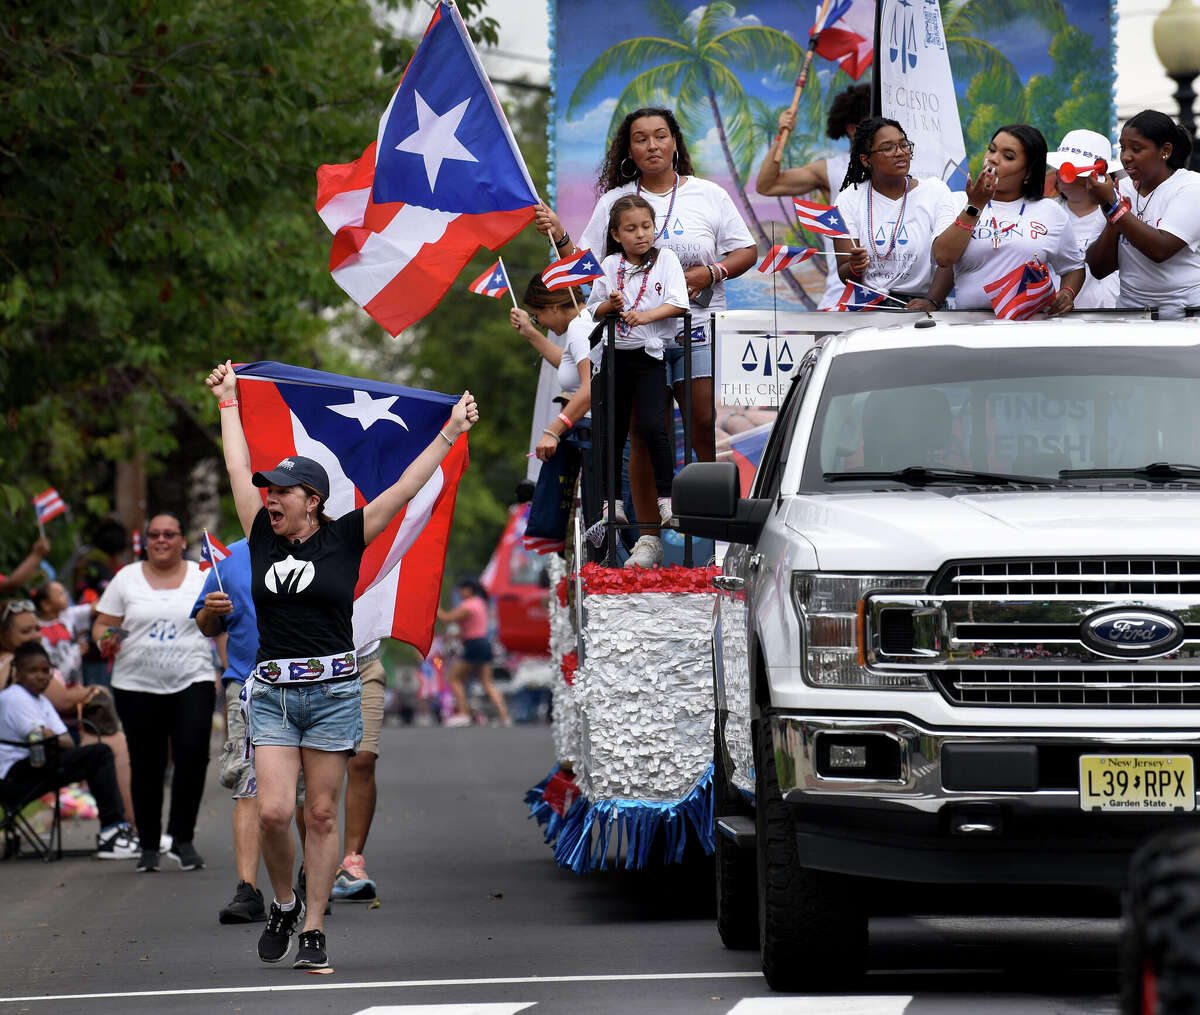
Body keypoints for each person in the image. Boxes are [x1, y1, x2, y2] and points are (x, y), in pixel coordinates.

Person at [205, 358, 477, 971]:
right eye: (268, 490)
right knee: (275, 811)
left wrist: (450, 430)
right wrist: (227, 400)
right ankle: (282, 901)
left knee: (321, 814)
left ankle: (314, 927)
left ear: (313, 501)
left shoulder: (347, 535)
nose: (270, 498)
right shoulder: (260, 534)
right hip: (272, 693)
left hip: (332, 693)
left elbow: (405, 488)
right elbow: (233, 465)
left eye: (282, 492)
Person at [537, 106, 756, 533]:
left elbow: (745, 251)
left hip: (697, 328)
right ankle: (648, 538)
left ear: (675, 141)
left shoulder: (708, 194)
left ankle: (713, 527)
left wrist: (710, 272)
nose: (652, 145)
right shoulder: (613, 202)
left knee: (703, 421)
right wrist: (560, 232)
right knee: (642, 431)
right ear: (629, 150)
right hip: (636, 339)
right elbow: (587, 268)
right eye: (641, 138)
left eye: (660, 135)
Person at [92, 511, 215, 874]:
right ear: (146, 541)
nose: (161, 540)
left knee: (192, 756)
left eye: (169, 534)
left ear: (181, 541)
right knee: (147, 764)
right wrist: (105, 639)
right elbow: (103, 623)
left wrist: (232, 674)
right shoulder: (126, 579)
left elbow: (219, 626)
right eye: (154, 534)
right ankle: (148, 844)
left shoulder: (202, 575)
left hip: (193, 678)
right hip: (136, 685)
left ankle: (182, 839)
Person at [587, 194, 689, 568]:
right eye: (631, 229)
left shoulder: (666, 260)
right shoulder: (610, 264)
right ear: (616, 234)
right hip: (615, 357)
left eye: (646, 226)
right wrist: (610, 306)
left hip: (648, 356)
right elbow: (592, 307)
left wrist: (644, 317)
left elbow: (679, 303)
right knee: (613, 432)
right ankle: (611, 503)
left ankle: (666, 499)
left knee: (653, 426)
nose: (640, 234)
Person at [1, 598, 136, 829]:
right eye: (26, 631)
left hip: (45, 750)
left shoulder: (34, 687)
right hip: (22, 764)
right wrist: (94, 690)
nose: (36, 635)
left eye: (37, 628)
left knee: (107, 743)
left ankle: (127, 828)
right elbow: (62, 702)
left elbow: (56, 732)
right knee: (109, 743)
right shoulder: (13, 667)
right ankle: (127, 827)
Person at [932, 123, 1085, 316]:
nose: (992, 160)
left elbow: (1073, 267)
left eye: (1008, 156)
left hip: (1028, 325)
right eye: (991, 150)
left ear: (1028, 172)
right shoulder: (957, 201)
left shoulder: (1051, 212)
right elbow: (943, 258)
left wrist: (1067, 293)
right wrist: (975, 205)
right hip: (969, 325)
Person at [192, 538, 267, 923]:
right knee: (247, 785)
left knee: (306, 797)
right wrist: (210, 610)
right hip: (245, 687)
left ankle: (309, 879)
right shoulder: (230, 557)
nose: (271, 502)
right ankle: (248, 889)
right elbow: (206, 624)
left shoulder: (319, 546)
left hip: (306, 685)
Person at [756, 83, 872, 309]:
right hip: (842, 300)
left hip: (893, 301)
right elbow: (768, 185)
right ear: (852, 128)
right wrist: (781, 135)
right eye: (873, 120)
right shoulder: (830, 169)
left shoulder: (904, 173)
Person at [509, 276, 600, 545]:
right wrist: (530, 333)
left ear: (554, 307)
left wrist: (553, 430)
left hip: (600, 438)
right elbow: (569, 365)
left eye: (538, 317)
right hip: (594, 436)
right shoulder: (582, 326)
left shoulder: (579, 328)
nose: (542, 324)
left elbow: (590, 387)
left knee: (598, 525)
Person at [1084, 109, 1200, 316]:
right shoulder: (1121, 189)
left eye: (1136, 149)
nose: (1125, 157)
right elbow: (1099, 269)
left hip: (1186, 314)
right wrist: (1113, 222)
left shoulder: (1191, 187)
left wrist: (1114, 207)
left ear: (1165, 150)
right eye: (1122, 148)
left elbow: (1160, 250)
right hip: (1130, 312)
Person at [832, 116, 956, 309]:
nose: (900, 153)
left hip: (923, 307)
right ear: (866, 160)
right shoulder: (849, 199)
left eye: (904, 145)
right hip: (869, 308)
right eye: (888, 148)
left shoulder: (935, 191)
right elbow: (844, 272)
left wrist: (932, 301)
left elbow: (949, 259)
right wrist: (855, 267)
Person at [1046, 128, 1121, 309]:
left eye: (1071, 168)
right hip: (1054, 317)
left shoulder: (1120, 214)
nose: (1061, 174)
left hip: (1109, 317)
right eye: (1060, 167)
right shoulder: (1045, 212)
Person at [436, 578, 510, 727]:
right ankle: (504, 716)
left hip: (473, 645)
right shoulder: (481, 603)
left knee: (454, 679)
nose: (460, 592)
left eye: (462, 589)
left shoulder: (468, 606)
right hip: (484, 643)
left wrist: (434, 603)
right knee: (487, 683)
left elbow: (445, 618)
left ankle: (463, 714)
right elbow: (472, 627)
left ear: (470, 590)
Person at [33, 581, 93, 686]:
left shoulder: (68, 615)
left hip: (75, 683)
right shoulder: (35, 628)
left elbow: (95, 608)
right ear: (45, 604)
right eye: (60, 594)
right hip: (51, 685)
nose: (66, 596)